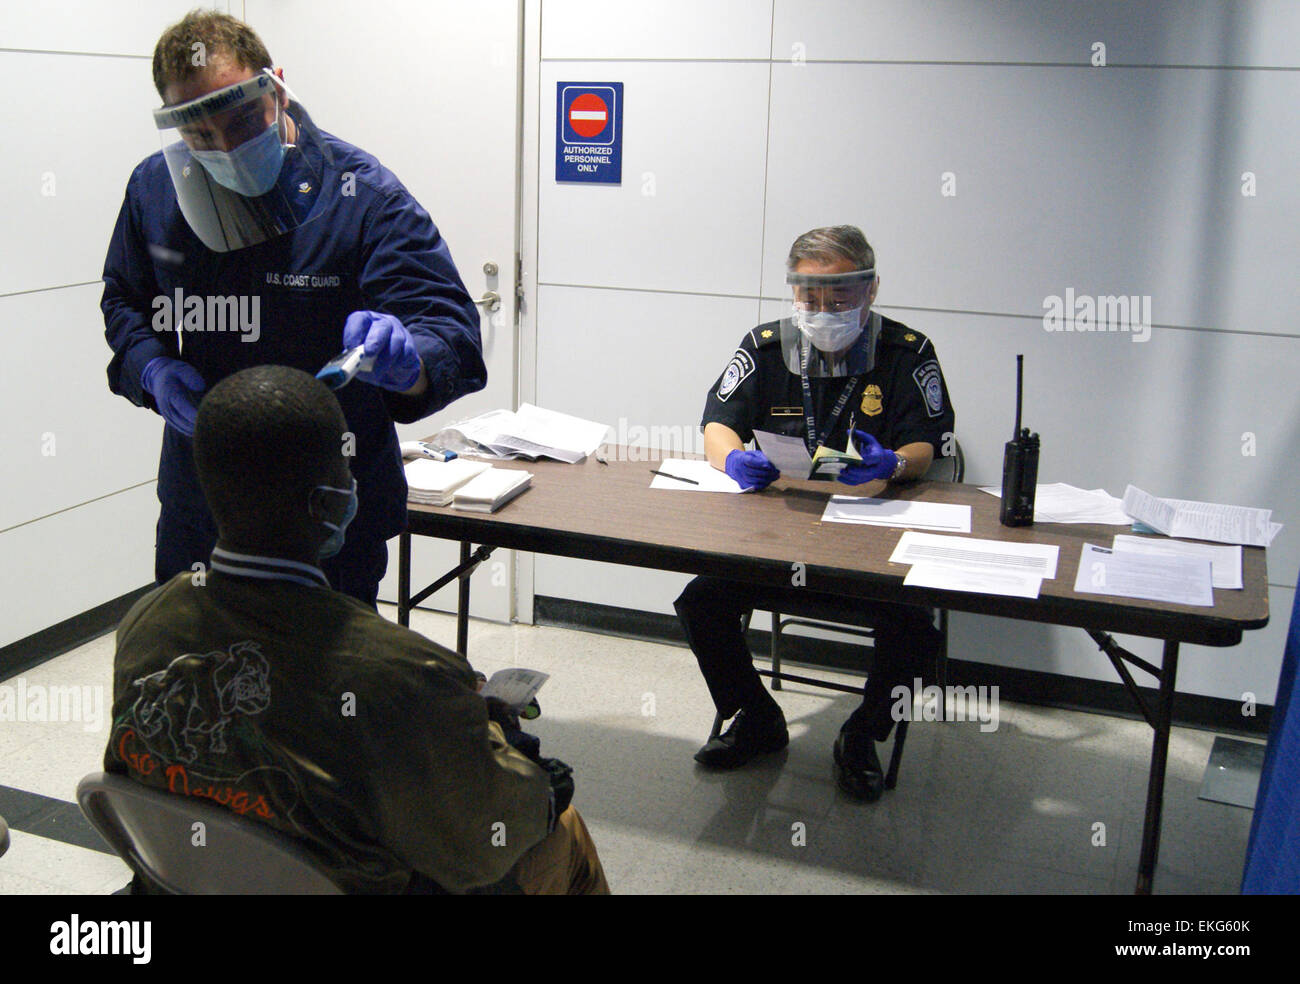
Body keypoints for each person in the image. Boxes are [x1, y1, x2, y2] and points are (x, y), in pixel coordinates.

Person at [104, 365, 608, 894]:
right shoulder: (404, 670)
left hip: (186, 882)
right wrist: (499, 737)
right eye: (347, 468)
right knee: (562, 831)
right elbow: (488, 838)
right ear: (327, 502)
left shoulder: (147, 622)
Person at [102, 10, 484, 608]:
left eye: (242, 120)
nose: (226, 148)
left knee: (327, 690)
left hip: (329, 507)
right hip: (206, 500)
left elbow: (448, 324)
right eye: (201, 136)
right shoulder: (156, 189)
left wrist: (411, 363)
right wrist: (151, 367)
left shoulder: (360, 193)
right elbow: (124, 300)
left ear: (275, 86)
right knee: (195, 681)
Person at [674, 225, 957, 802]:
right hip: (778, 538)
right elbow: (716, 421)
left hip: (868, 540)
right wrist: (731, 459)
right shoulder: (766, 344)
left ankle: (861, 735)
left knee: (912, 630)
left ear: (871, 290)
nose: (822, 309)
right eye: (809, 296)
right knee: (700, 600)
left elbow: (930, 442)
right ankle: (756, 717)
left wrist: (896, 464)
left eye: (839, 296)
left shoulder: (908, 351)